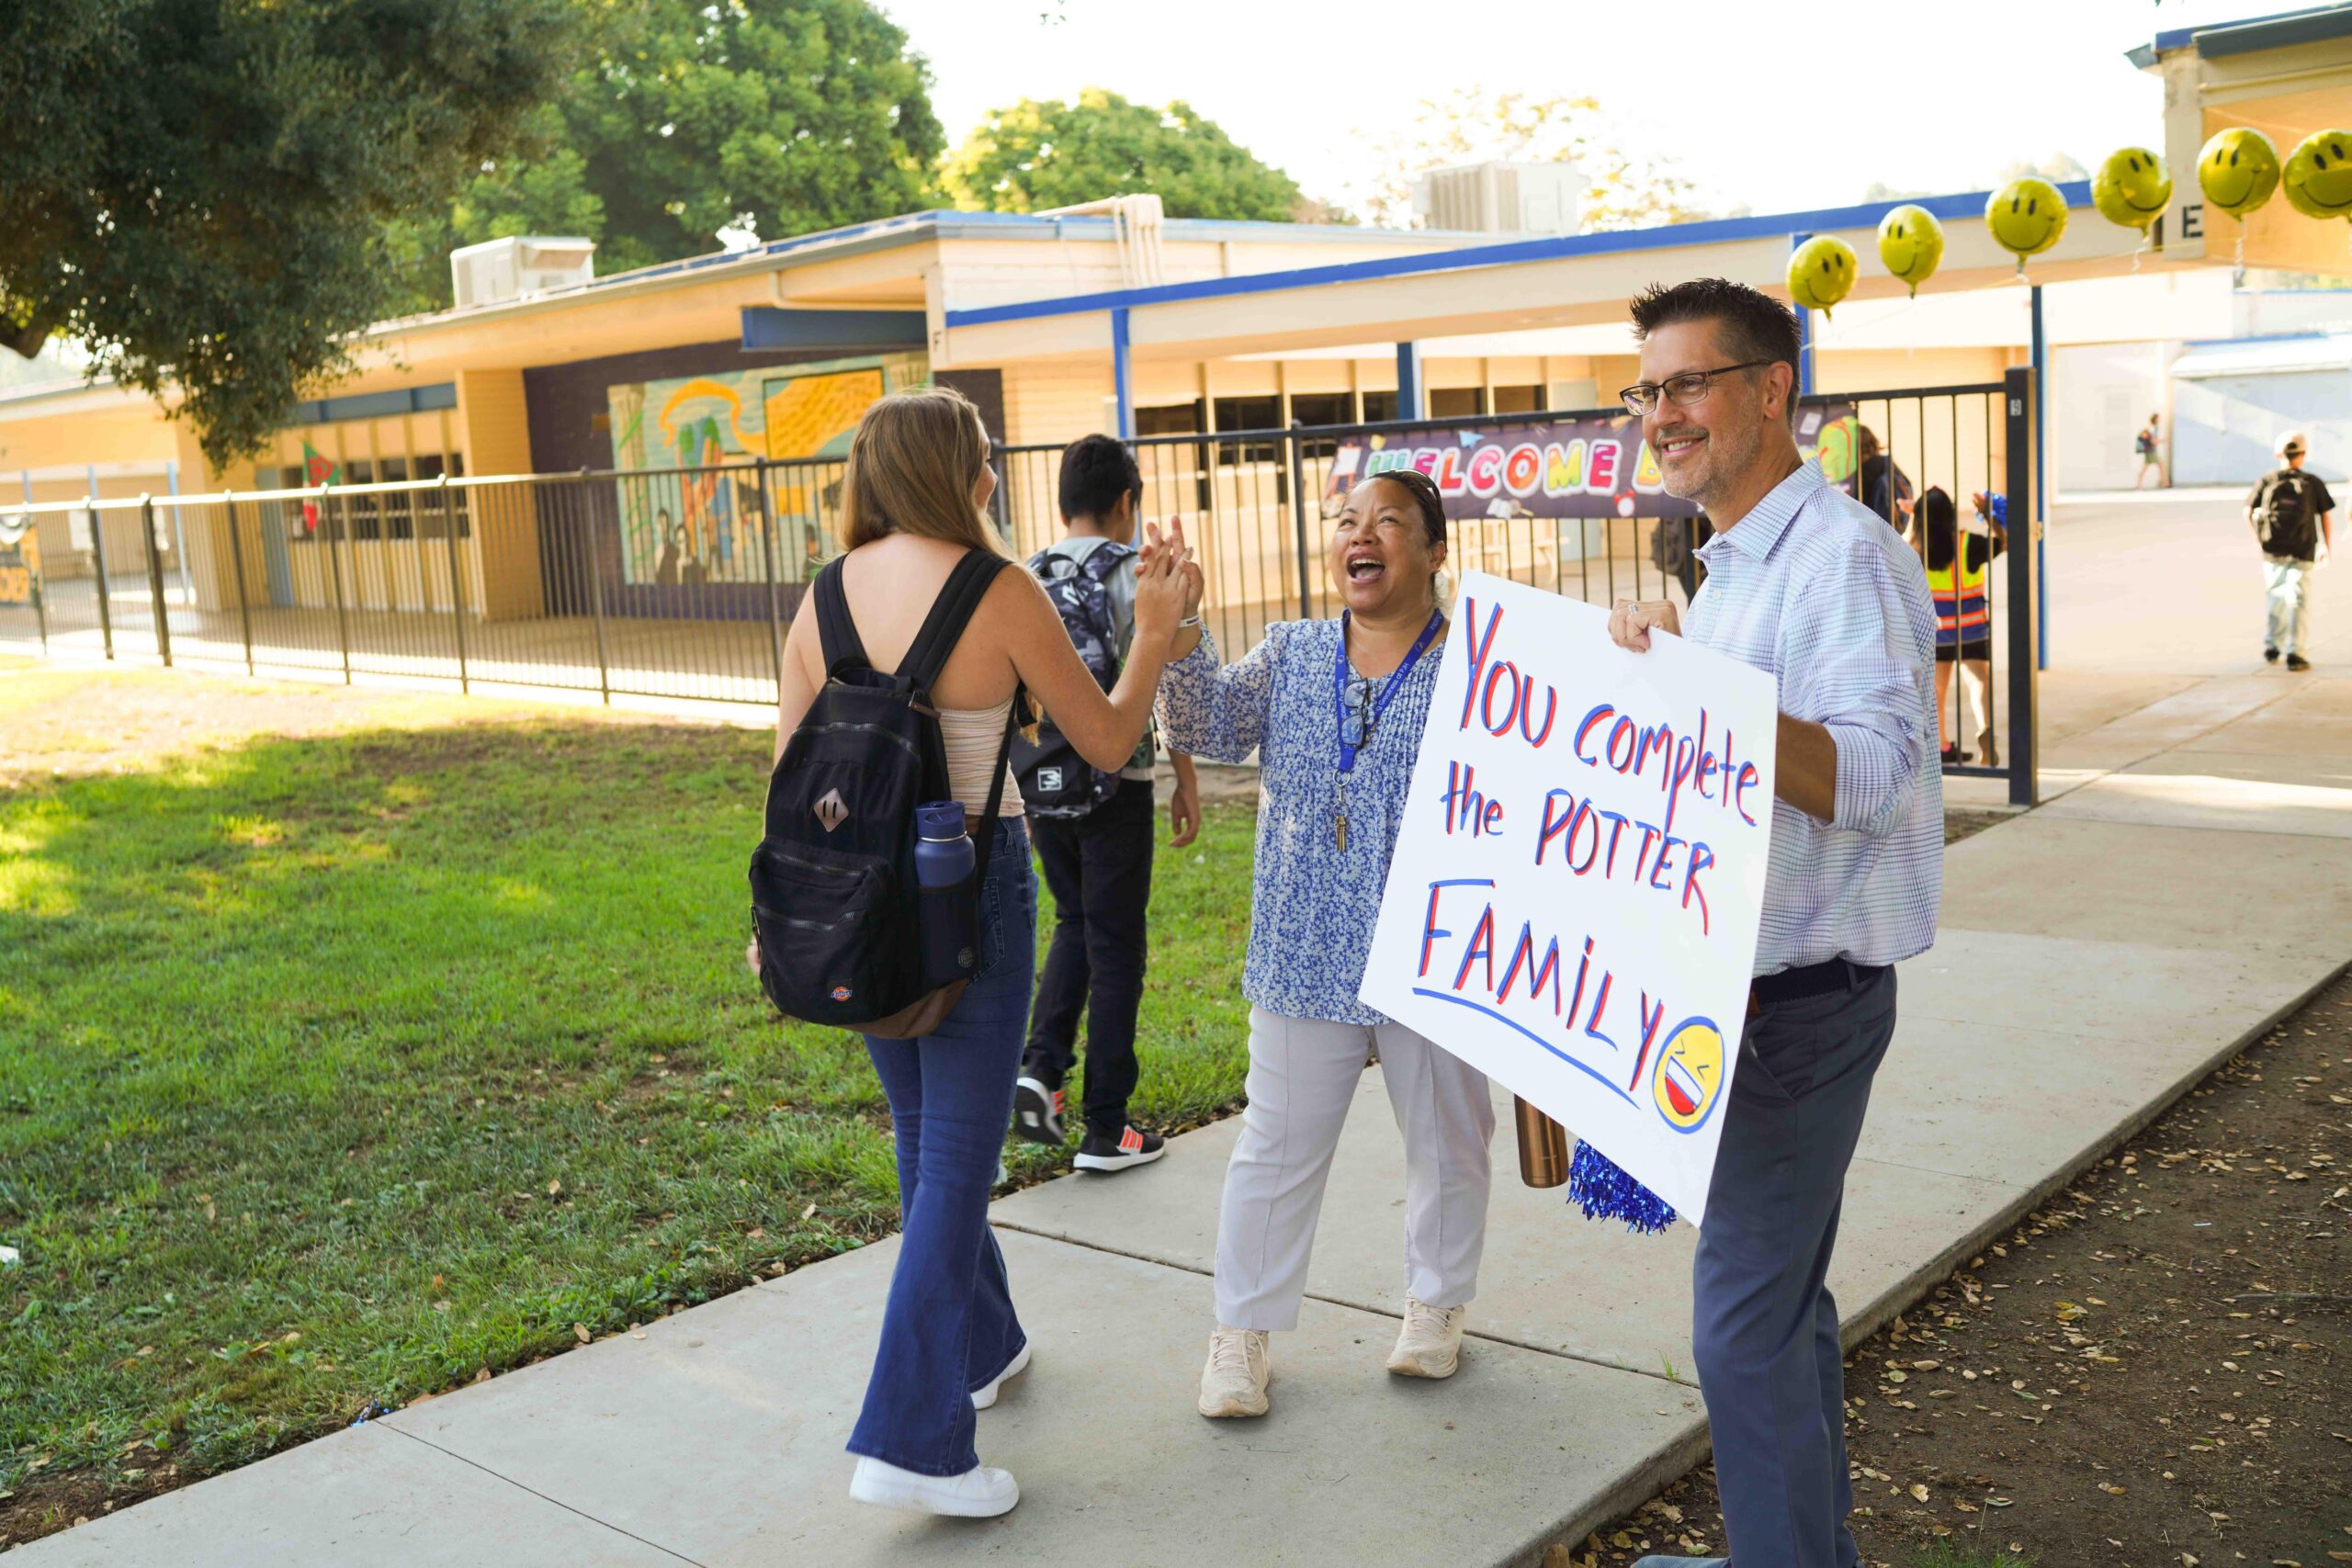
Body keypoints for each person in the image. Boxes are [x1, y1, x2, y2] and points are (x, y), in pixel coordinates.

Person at [761, 387, 1189, 1518]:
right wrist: (1150, 637)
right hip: (971, 891)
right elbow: (1099, 742)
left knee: (923, 1143)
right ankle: (913, 1440)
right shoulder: (992, 590)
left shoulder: (820, 600)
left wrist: (775, 928)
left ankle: (983, 1346)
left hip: (854, 906)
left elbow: (787, 789)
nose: (995, 473)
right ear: (954, 471)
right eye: (983, 457)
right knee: (955, 1164)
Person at [1606, 278, 1941, 1568]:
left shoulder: (1844, 555)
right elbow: (1733, 753)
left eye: (1690, 383)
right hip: (1741, 995)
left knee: (1741, 1326)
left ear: (1772, 389)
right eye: (1649, 389)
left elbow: (1865, 776)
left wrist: (1693, 688)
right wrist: (1657, 671)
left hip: (1800, 1008)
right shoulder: (1736, 561)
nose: (1663, 412)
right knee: (1780, 1310)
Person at [1149, 467, 1496, 1421]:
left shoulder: (1482, 665)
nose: (1363, 534)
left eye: (1389, 521)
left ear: (1432, 551)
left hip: (1439, 950)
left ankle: (1435, 1305)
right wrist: (1179, 626)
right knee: (1275, 1147)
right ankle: (1241, 1335)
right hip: (1307, 942)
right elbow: (1201, 723)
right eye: (1347, 520)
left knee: (1449, 1142)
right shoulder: (1293, 652)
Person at [1012, 434, 1203, 1171]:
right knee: (1117, 942)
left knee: (1074, 920)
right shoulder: (1139, 574)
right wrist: (1183, 774)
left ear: (1064, 503)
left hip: (1041, 786)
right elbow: (1168, 676)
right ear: (1128, 503)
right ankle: (1107, 1125)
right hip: (1117, 782)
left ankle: (1040, 1069)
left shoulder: (1025, 577)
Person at [1917, 486, 2006, 765]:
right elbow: (2003, 542)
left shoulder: (1917, 548)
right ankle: (1985, 730)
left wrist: (1913, 519)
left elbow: (1904, 541)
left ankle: (1941, 745)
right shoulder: (1968, 544)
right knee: (1978, 680)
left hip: (1938, 630)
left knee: (1937, 688)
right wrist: (1988, 515)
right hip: (1971, 628)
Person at [2247, 431, 2335, 672]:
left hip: (2273, 549)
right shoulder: (2312, 481)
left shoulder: (2267, 480)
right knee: (2299, 599)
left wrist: (2258, 539)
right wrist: (2326, 545)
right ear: (2303, 455)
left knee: (2275, 597)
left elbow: (2247, 511)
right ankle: (2296, 652)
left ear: (2278, 454)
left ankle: (2272, 646)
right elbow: (2325, 515)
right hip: (2303, 548)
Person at [1853, 424, 1913, 527]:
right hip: (1891, 529)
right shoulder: (1886, 462)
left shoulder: (1857, 472)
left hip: (1865, 531)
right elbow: (1907, 488)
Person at [2135, 412, 2168, 490]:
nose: (2160, 420)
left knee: (2147, 467)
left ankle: (2139, 484)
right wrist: (2162, 441)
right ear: (2155, 419)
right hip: (2151, 452)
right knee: (2161, 465)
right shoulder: (2152, 429)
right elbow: (2153, 441)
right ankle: (2165, 484)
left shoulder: (2153, 428)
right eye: (2158, 418)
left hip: (2151, 451)